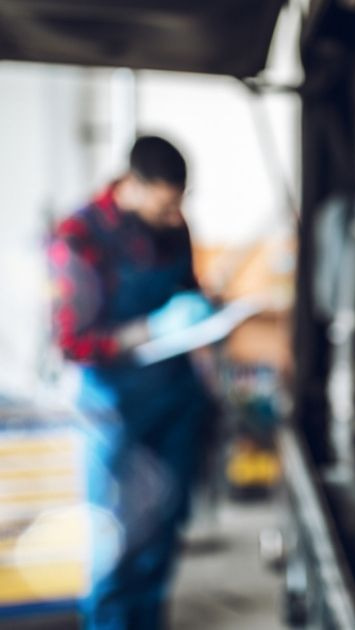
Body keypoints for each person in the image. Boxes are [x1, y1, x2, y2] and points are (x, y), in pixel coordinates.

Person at [49, 136, 217, 629]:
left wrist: (205, 319)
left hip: (175, 397)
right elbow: (72, 343)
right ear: (134, 187)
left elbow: (188, 292)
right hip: (113, 408)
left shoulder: (173, 225)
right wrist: (149, 329)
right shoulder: (77, 235)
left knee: (162, 536)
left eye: (180, 203)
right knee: (116, 542)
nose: (175, 216)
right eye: (166, 204)